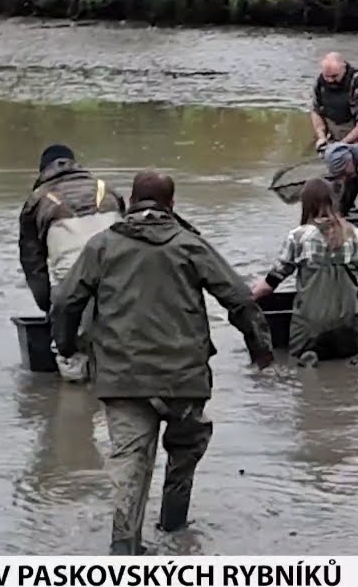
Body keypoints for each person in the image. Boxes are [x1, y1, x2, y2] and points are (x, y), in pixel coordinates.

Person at [50, 170, 274, 555]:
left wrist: (69, 347)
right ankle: (175, 530)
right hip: (183, 379)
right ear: (171, 205)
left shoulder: (102, 246)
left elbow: (65, 302)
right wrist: (260, 349)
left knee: (129, 466)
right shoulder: (189, 244)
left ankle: (124, 550)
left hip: (122, 380)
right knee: (184, 452)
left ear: (130, 203)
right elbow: (238, 296)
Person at [18, 144, 126, 383]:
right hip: (118, 266)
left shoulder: (37, 200)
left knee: (71, 348)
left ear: (43, 171)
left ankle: (75, 404)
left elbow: (32, 261)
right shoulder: (106, 189)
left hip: (71, 273)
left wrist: (49, 306)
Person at [251, 177, 358, 367]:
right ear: (333, 200)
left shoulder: (298, 236)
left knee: (301, 361)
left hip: (309, 327)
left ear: (306, 204)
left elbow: (272, 281)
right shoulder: (353, 233)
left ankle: (309, 362)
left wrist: (247, 298)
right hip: (347, 324)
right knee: (347, 363)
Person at [310, 52, 358, 152]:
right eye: (326, 76)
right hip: (338, 137)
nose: (330, 80)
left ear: (344, 68)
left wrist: (341, 144)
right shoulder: (320, 84)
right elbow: (316, 111)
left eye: (334, 76)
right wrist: (322, 137)